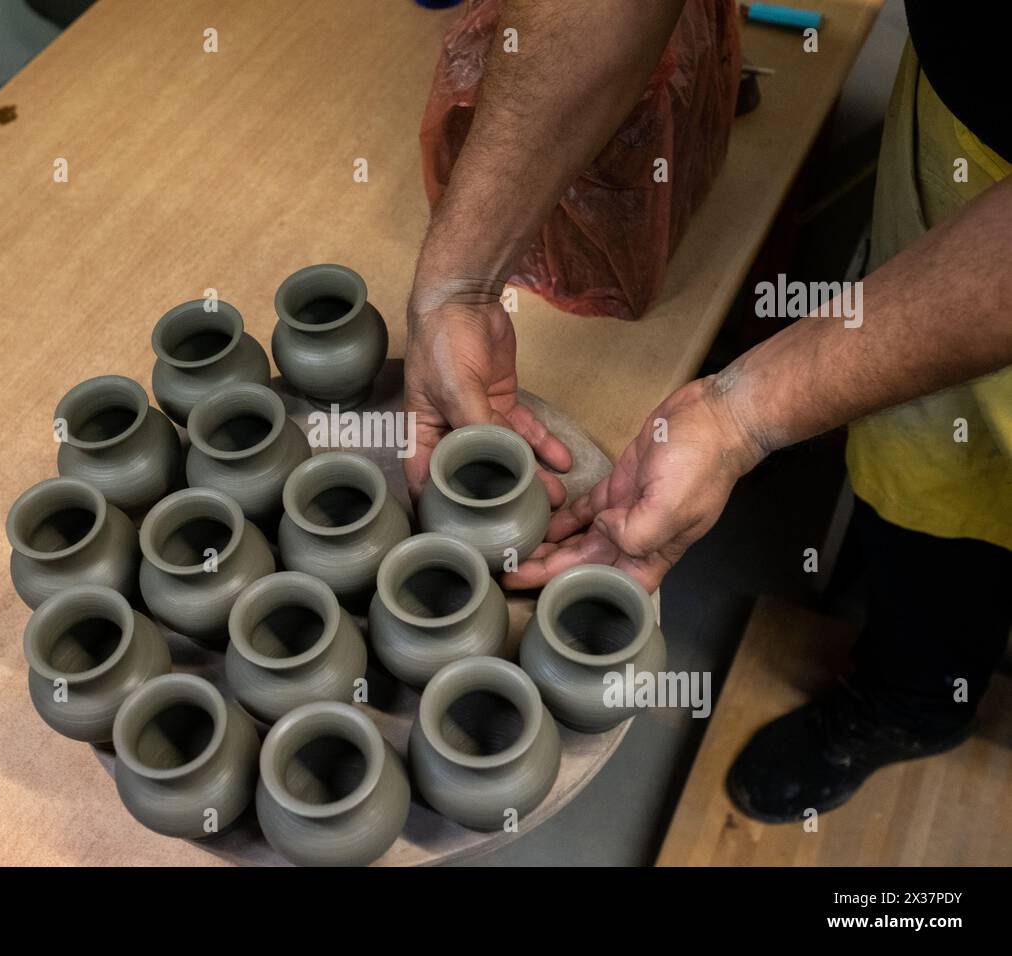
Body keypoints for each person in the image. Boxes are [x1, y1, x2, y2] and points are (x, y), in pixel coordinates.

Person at [403, 0, 1011, 822]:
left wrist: (744, 417)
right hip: (968, 130)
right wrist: (459, 284)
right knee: (928, 470)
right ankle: (914, 696)